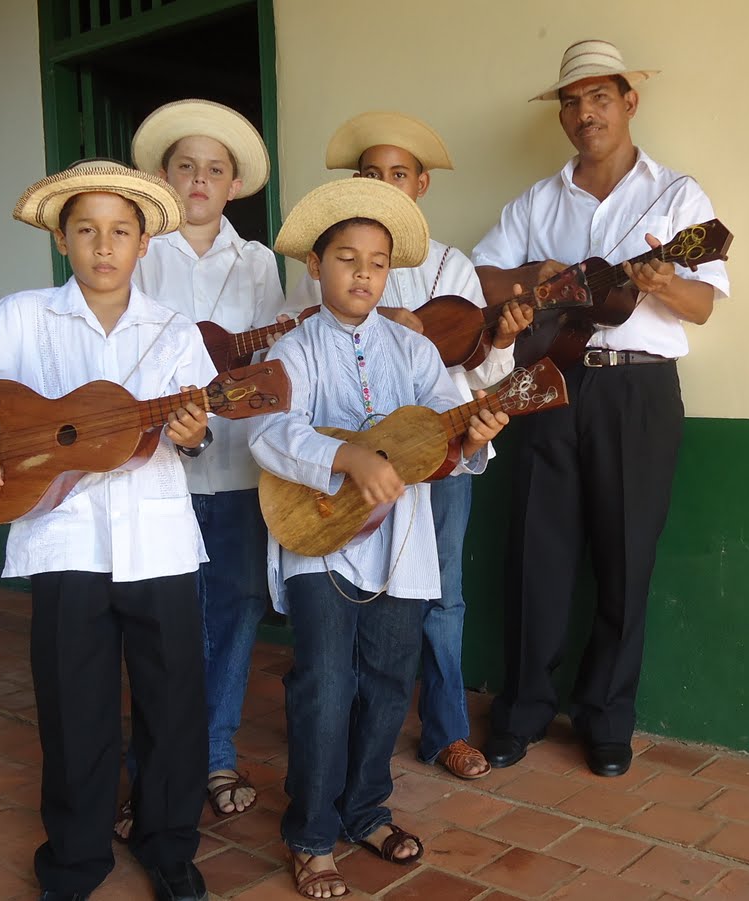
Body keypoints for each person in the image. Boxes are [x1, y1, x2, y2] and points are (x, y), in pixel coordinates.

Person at [0, 160, 213, 901]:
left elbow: (201, 438)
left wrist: (197, 431)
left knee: (173, 705)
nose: (103, 246)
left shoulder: (175, 332)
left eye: (120, 232)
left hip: (160, 541)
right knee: (74, 707)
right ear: (62, 242)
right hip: (64, 538)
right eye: (86, 231)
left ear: (145, 245)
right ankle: (76, 859)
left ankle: (168, 844)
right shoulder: (21, 317)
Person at [472, 39, 732, 778]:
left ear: (629, 103)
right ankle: (521, 711)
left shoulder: (679, 197)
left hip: (638, 391)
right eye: (572, 102)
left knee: (625, 557)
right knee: (536, 552)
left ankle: (607, 718)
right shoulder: (536, 200)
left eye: (600, 99)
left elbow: (705, 302)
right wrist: (534, 274)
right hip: (547, 382)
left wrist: (658, 280)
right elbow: (481, 275)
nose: (586, 114)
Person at [250, 178, 510, 898]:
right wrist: (348, 456)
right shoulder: (294, 348)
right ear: (314, 265)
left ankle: (364, 809)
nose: (363, 273)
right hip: (315, 540)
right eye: (346, 258)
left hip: (400, 544)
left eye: (377, 261)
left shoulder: (414, 350)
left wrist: (474, 434)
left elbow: (444, 428)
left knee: (391, 683)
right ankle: (309, 833)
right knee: (325, 686)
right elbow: (270, 429)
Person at [288, 111, 532, 780]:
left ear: (421, 184)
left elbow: (478, 376)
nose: (387, 184)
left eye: (399, 174)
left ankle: (444, 730)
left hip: (440, 452)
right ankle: (342, 733)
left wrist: (501, 347)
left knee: (440, 593)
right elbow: (295, 355)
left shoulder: (451, 265)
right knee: (347, 591)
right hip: (345, 458)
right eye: (372, 174)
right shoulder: (324, 265)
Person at [117, 98, 282, 826]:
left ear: (234, 184)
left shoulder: (259, 262)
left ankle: (214, 752)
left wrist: (232, 385)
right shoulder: (141, 253)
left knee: (238, 609)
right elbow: (127, 350)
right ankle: (150, 766)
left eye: (215, 169)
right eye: (186, 166)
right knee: (164, 619)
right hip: (160, 468)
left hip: (240, 465)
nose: (199, 180)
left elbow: (267, 359)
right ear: (163, 174)